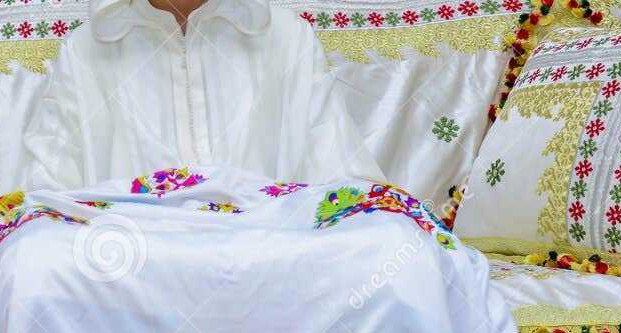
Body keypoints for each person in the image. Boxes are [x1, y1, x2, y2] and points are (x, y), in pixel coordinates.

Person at [24, 0, 382, 190]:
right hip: (129, 276)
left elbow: (343, 180)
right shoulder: (84, 50)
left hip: (269, 269)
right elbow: (48, 195)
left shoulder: (288, 39)